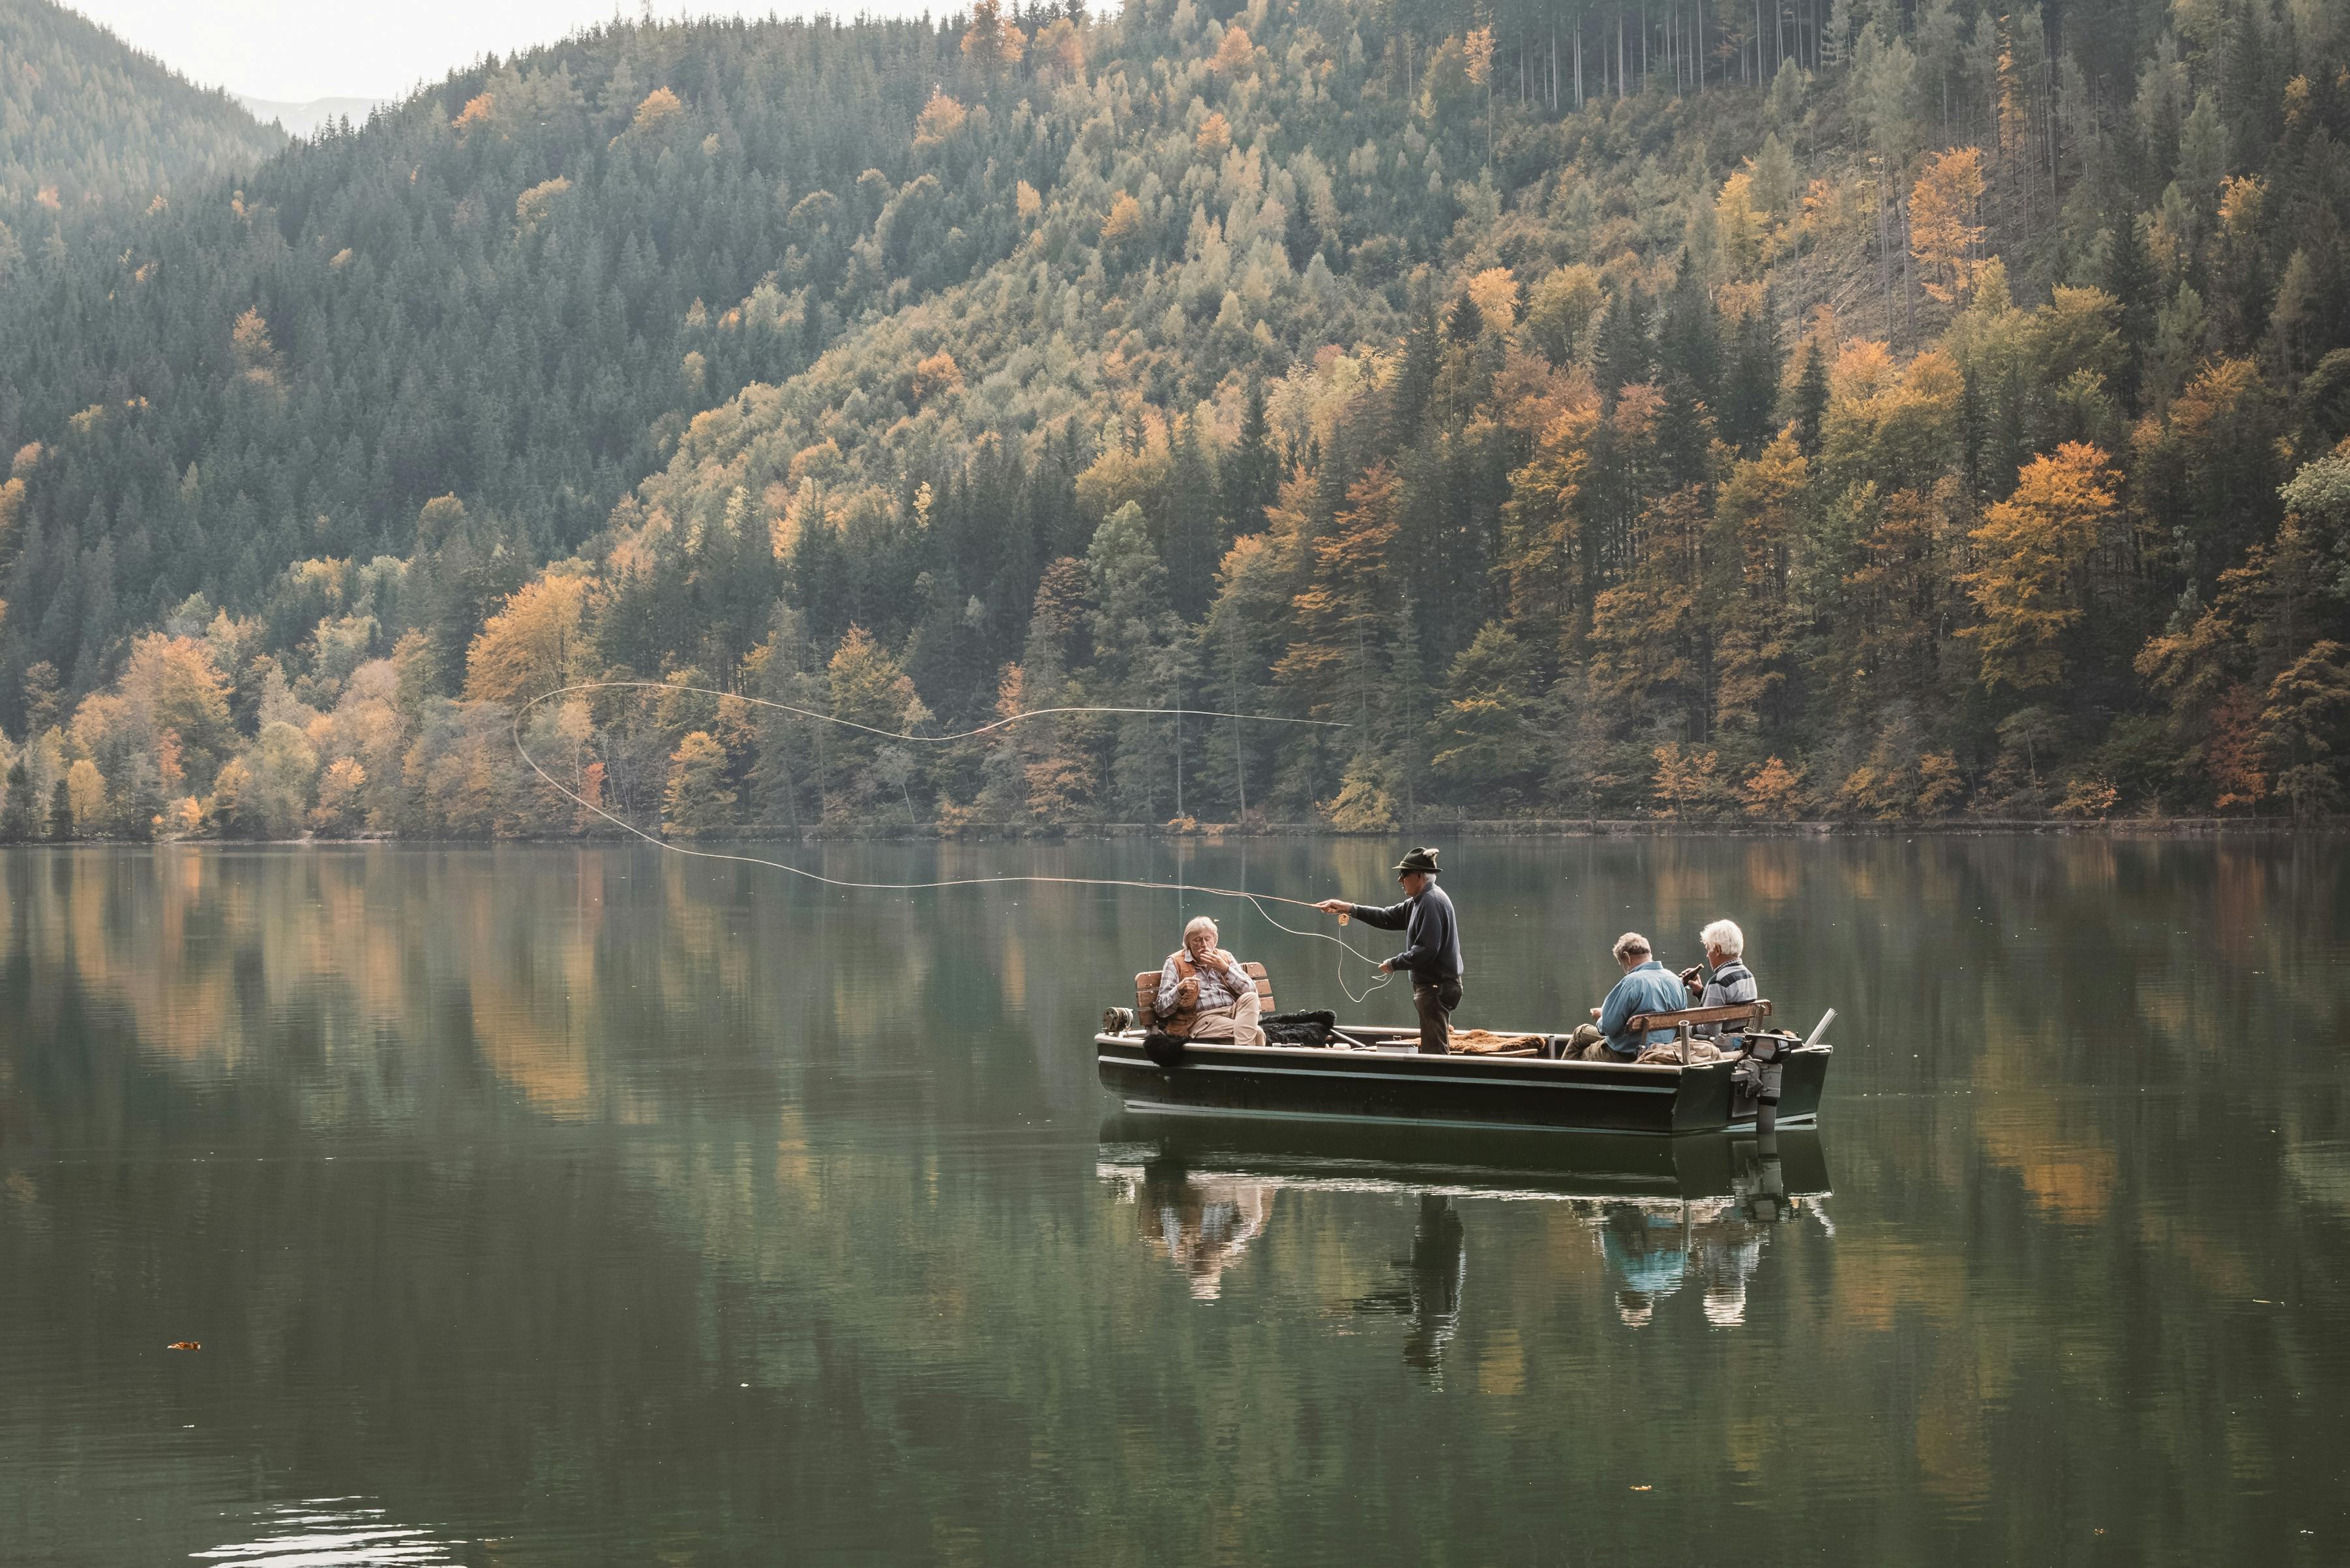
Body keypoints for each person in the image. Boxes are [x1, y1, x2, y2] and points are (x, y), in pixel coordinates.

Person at [1315, 847, 1463, 1055]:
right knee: (1434, 1046)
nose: (1400, 880)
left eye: (1404, 875)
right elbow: (1387, 917)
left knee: (1435, 1051)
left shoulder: (1431, 902)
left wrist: (1394, 964)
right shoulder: (1420, 901)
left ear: (1420, 875)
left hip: (1436, 988)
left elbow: (1426, 950)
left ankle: (1440, 1085)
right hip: (1434, 987)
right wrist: (1347, 908)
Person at [1564, 932, 1686, 1061]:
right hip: (1664, 1048)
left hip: (1629, 1052)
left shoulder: (1631, 983)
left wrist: (1601, 1017)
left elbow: (1608, 1028)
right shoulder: (1675, 980)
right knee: (1582, 1032)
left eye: (1621, 963)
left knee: (1582, 1046)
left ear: (1627, 957)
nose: (1624, 969)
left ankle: (1562, 1076)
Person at [1155, 915, 1268, 1048]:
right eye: (1197, 940)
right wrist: (1179, 990)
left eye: (1207, 939)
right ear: (1188, 943)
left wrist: (1225, 970)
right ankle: (1243, 1060)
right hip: (1202, 1019)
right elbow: (1161, 1009)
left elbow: (1251, 990)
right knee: (1258, 1033)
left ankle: (1242, 1060)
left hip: (1233, 1012)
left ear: (1215, 940)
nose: (1204, 945)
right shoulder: (1175, 962)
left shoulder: (1225, 957)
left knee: (1251, 997)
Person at [1679, 918, 1756, 1039]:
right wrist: (1701, 993)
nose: (1707, 954)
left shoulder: (1718, 982)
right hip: (1743, 1041)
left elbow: (1710, 1030)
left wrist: (1684, 1030)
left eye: (1708, 948)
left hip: (1722, 1045)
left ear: (1718, 950)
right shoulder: (1748, 975)